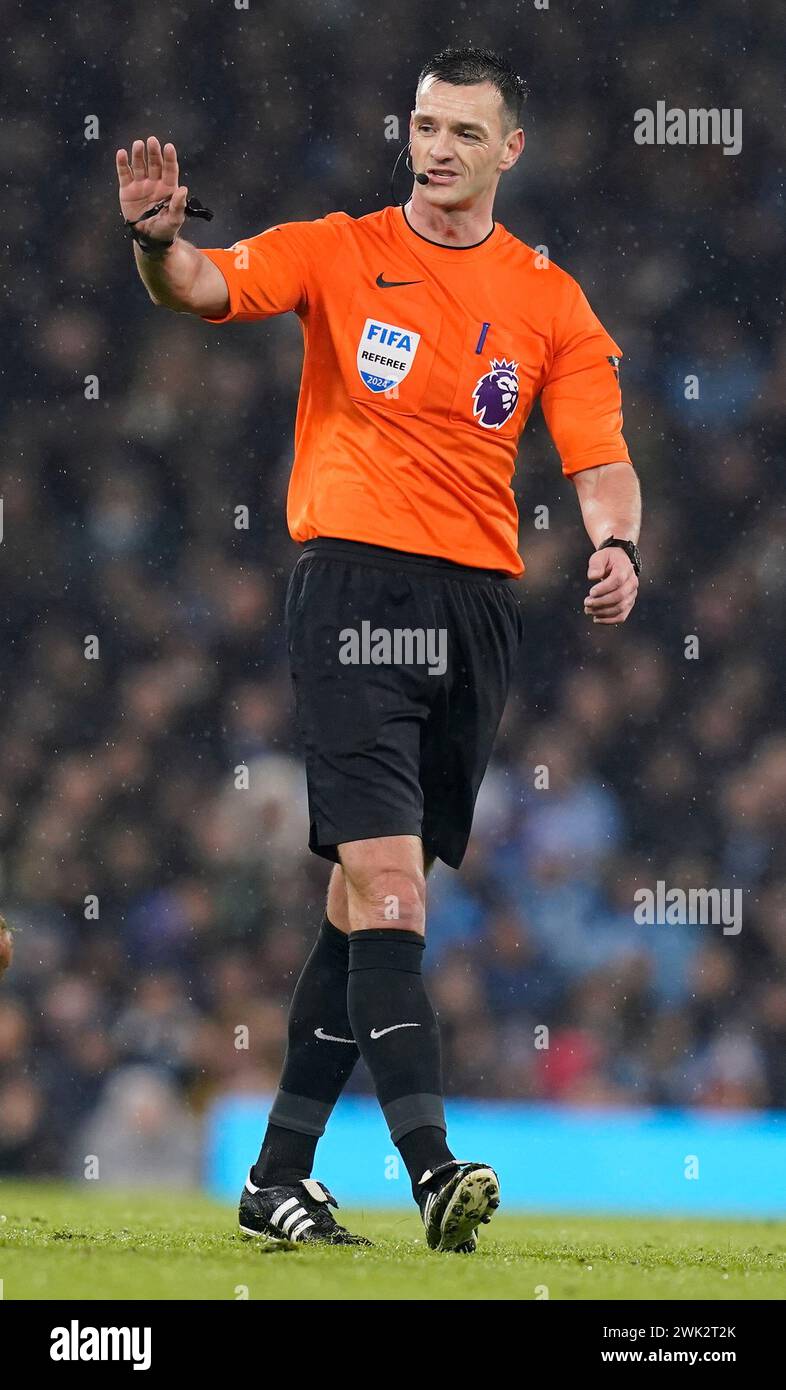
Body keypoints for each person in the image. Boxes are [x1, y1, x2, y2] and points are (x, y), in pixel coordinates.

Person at [116, 45, 641, 1254]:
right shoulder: (337, 249)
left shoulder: (549, 299)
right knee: (395, 887)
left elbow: (599, 454)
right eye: (423, 125)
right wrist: (154, 242)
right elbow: (202, 285)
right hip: (354, 591)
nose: (438, 147)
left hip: (478, 614)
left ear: (512, 150)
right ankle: (432, 1170)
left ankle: (274, 1177)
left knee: (363, 908)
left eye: (465, 131)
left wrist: (614, 546)